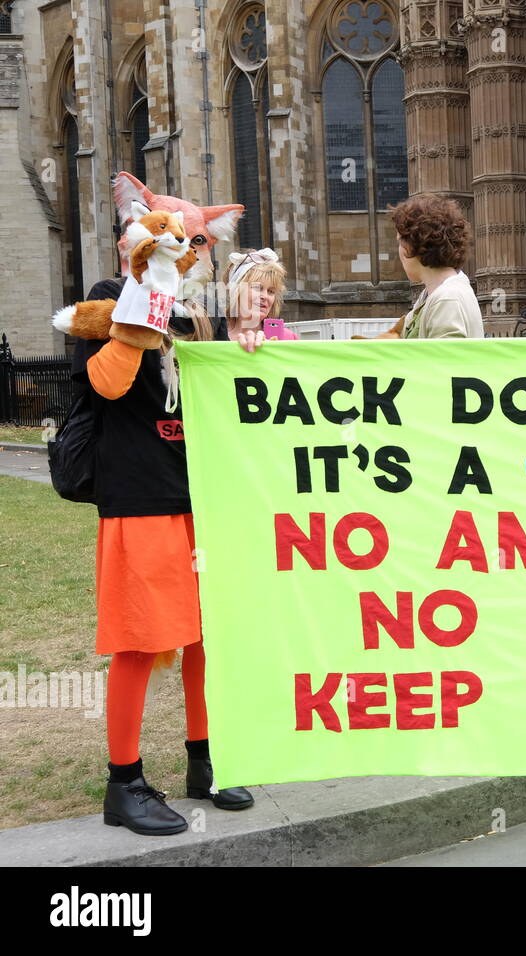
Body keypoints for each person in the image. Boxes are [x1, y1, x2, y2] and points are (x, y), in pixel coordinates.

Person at [72, 188, 264, 836]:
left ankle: (203, 762)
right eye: (164, 236)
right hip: (137, 497)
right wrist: (143, 310)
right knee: (139, 641)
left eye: (188, 242)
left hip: (193, 497)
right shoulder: (107, 298)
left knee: (203, 638)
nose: (177, 252)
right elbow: (106, 384)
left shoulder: (195, 314)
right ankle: (123, 783)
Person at [389, 194, 483, 339]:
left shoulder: (446, 298)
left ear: (410, 245)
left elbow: (445, 360)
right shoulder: (434, 293)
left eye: (399, 242)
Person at [223, 248, 295, 346]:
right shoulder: (213, 335)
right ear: (236, 291)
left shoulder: (287, 338)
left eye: (271, 291)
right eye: (257, 288)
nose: (265, 296)